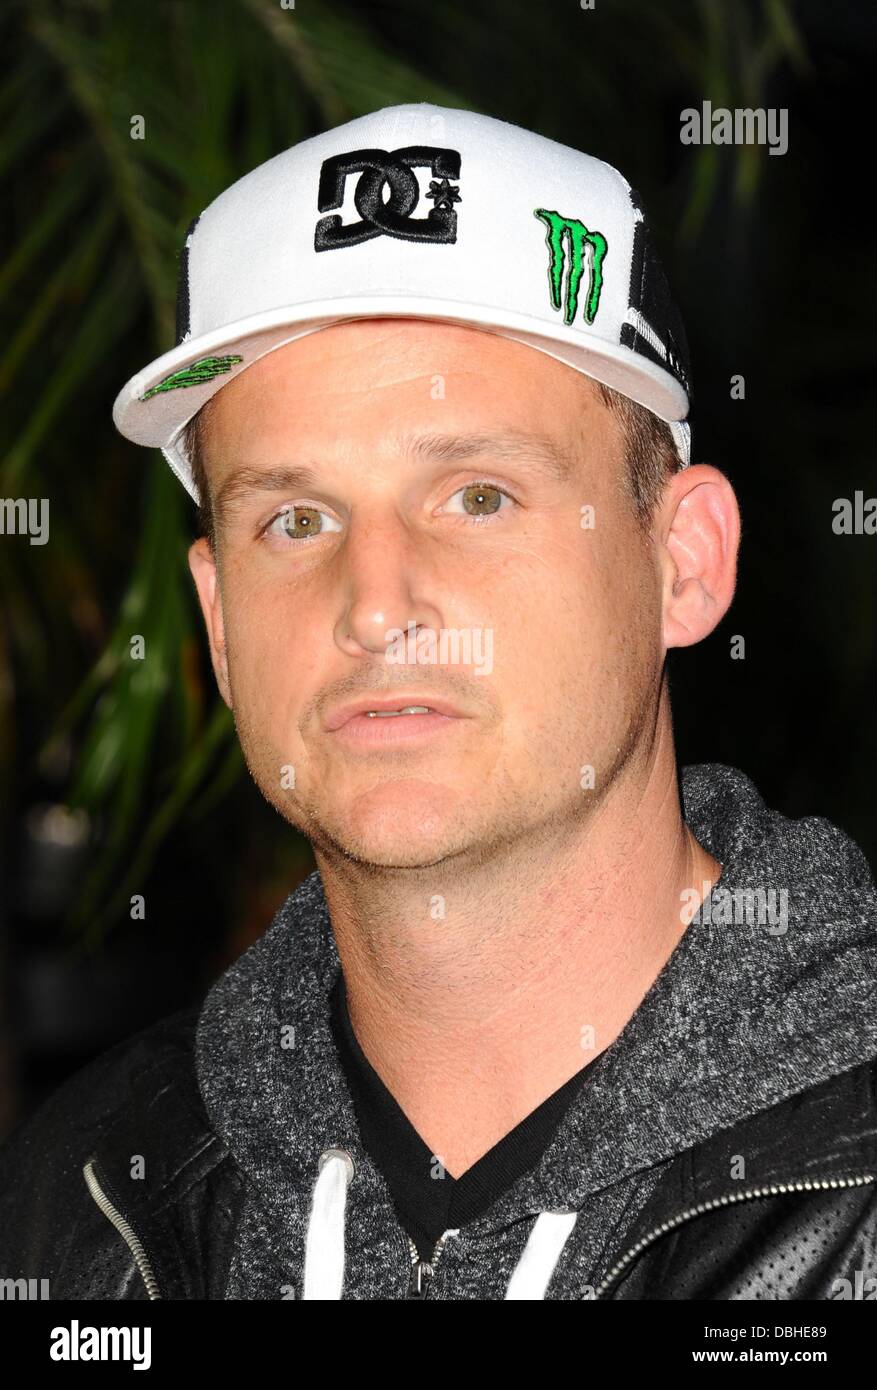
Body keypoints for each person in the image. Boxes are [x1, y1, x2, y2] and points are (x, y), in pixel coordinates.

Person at [1, 103, 875, 1302]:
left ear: (682, 559)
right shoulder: (83, 1204)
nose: (374, 605)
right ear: (214, 618)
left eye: (475, 496)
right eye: (293, 519)